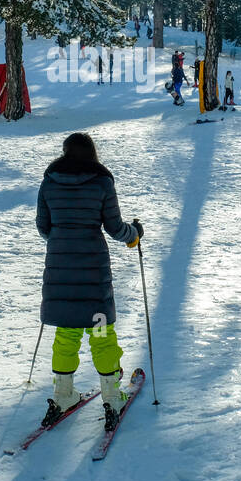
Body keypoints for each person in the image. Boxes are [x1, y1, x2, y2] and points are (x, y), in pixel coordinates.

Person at [35, 132, 141, 432]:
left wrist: (62, 239)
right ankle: (111, 395)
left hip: (59, 265)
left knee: (66, 332)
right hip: (93, 266)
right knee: (100, 330)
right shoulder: (101, 181)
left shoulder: (49, 181)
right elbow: (114, 227)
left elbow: (43, 227)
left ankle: (63, 394)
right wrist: (134, 233)